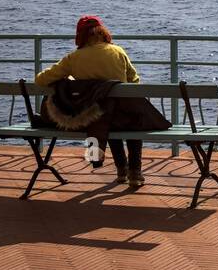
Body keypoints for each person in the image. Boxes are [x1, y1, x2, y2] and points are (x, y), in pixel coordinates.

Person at [34, 15, 154, 188]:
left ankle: (121, 170)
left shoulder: (74, 58)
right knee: (125, 115)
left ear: (80, 36)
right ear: (102, 32)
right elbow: (134, 82)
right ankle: (135, 173)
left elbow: (40, 80)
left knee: (104, 113)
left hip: (94, 120)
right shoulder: (118, 52)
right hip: (123, 118)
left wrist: (67, 78)